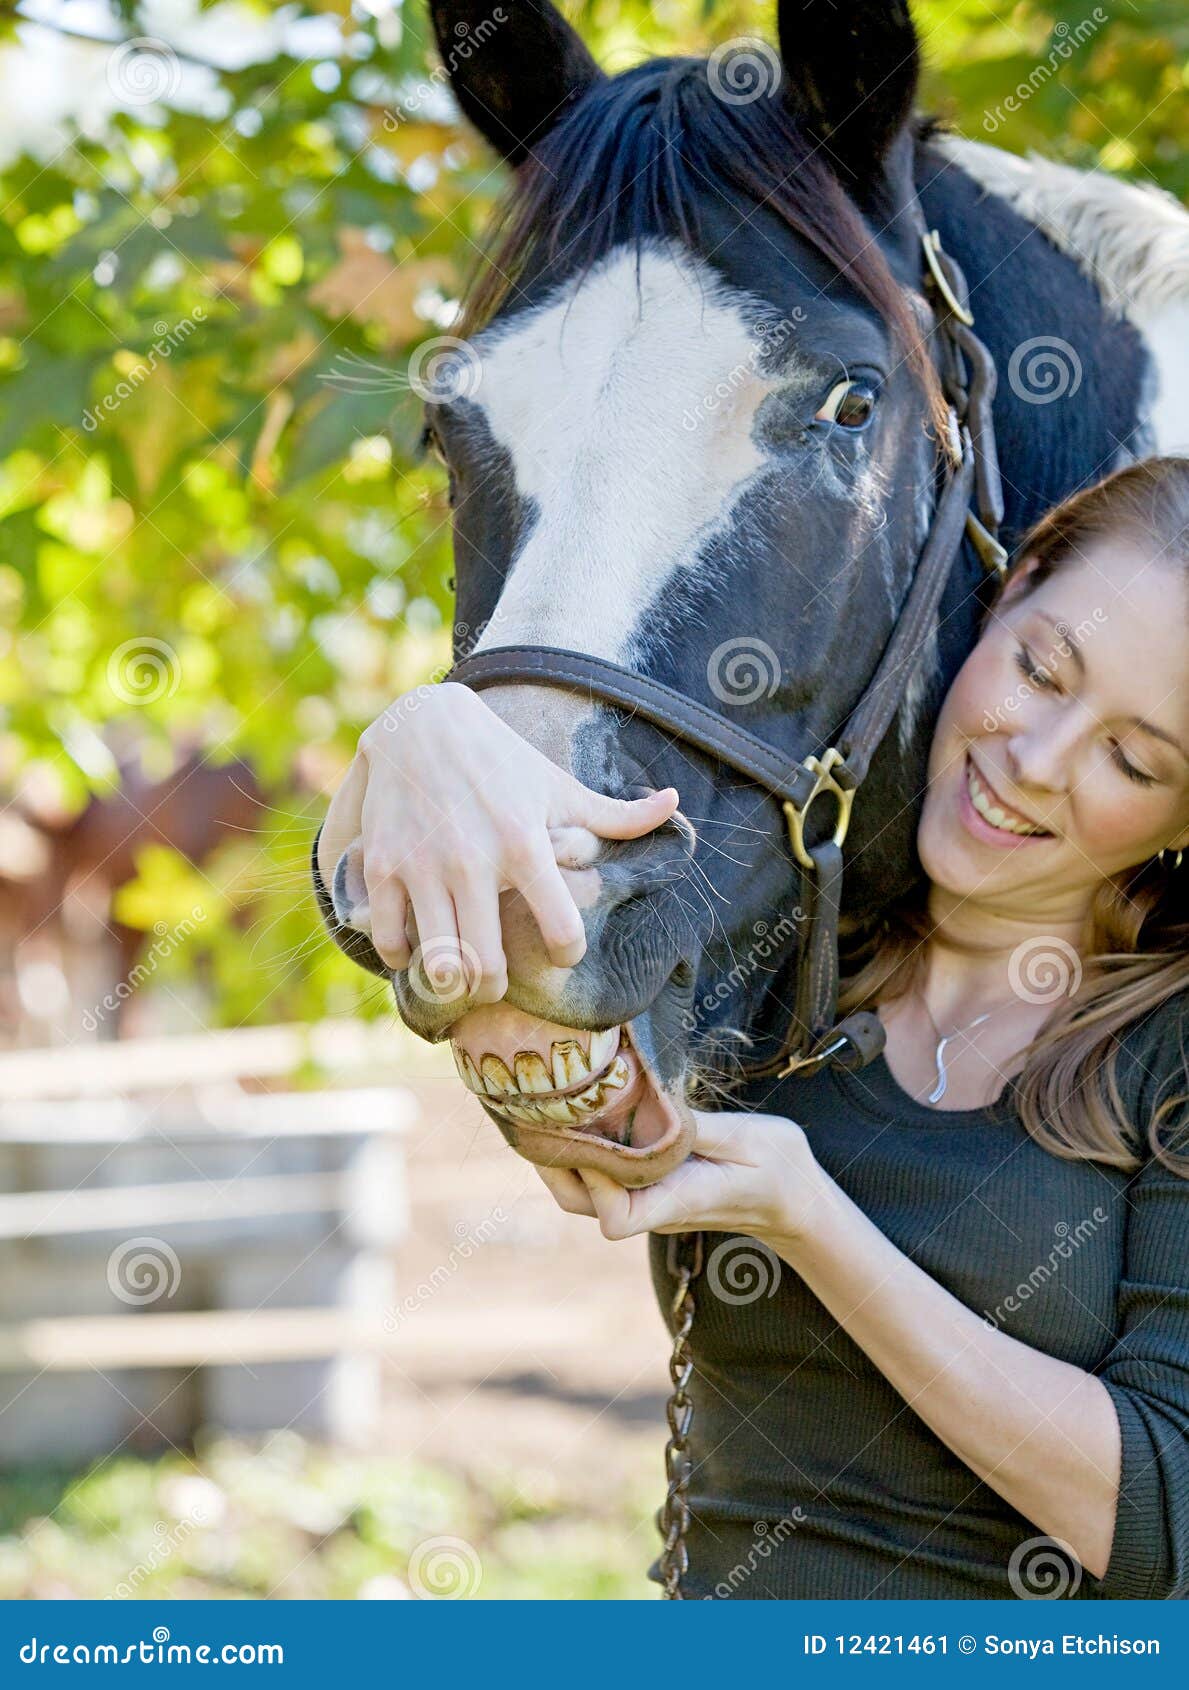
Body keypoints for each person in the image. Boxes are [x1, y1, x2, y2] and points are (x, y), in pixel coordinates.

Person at [319, 457, 1189, 1598]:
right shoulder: (781, 953)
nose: (1034, 762)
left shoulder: (1164, 1049)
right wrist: (419, 736)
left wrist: (809, 1219)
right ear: (1012, 586)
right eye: (1039, 669)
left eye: (1130, 758)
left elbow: (1163, 1521)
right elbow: (451, 938)